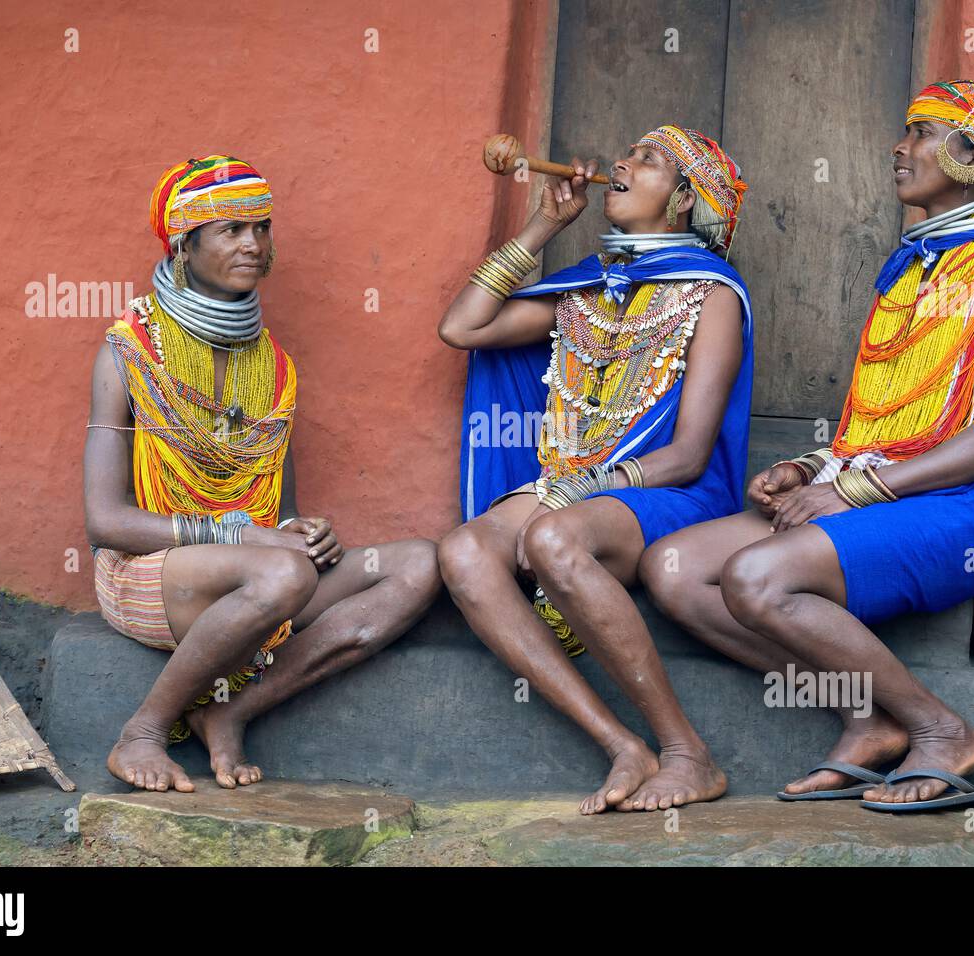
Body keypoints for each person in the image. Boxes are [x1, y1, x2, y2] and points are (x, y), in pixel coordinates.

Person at [640, 82, 974, 812]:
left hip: (965, 508)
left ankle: (942, 729)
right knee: (674, 567)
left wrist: (850, 490)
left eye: (921, 134)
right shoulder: (914, 267)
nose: (898, 148)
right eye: (905, 133)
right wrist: (812, 467)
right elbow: (888, 419)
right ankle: (866, 716)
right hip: (879, 486)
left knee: (754, 578)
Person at [84, 155, 440, 792]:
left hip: (258, 582)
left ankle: (229, 712)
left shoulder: (273, 368)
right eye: (230, 230)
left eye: (263, 227)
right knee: (279, 567)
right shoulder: (129, 350)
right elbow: (105, 523)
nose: (253, 243)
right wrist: (248, 537)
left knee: (418, 563)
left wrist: (307, 532)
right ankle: (142, 731)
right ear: (184, 246)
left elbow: (280, 521)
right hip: (151, 573)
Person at [438, 125, 754, 813]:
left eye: (648, 161)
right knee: (464, 551)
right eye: (629, 154)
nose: (622, 163)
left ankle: (687, 752)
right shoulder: (584, 290)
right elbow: (462, 329)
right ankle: (620, 744)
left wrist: (586, 488)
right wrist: (541, 225)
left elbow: (690, 454)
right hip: (571, 485)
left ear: (683, 200)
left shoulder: (712, 296)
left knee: (553, 537)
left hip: (668, 491)